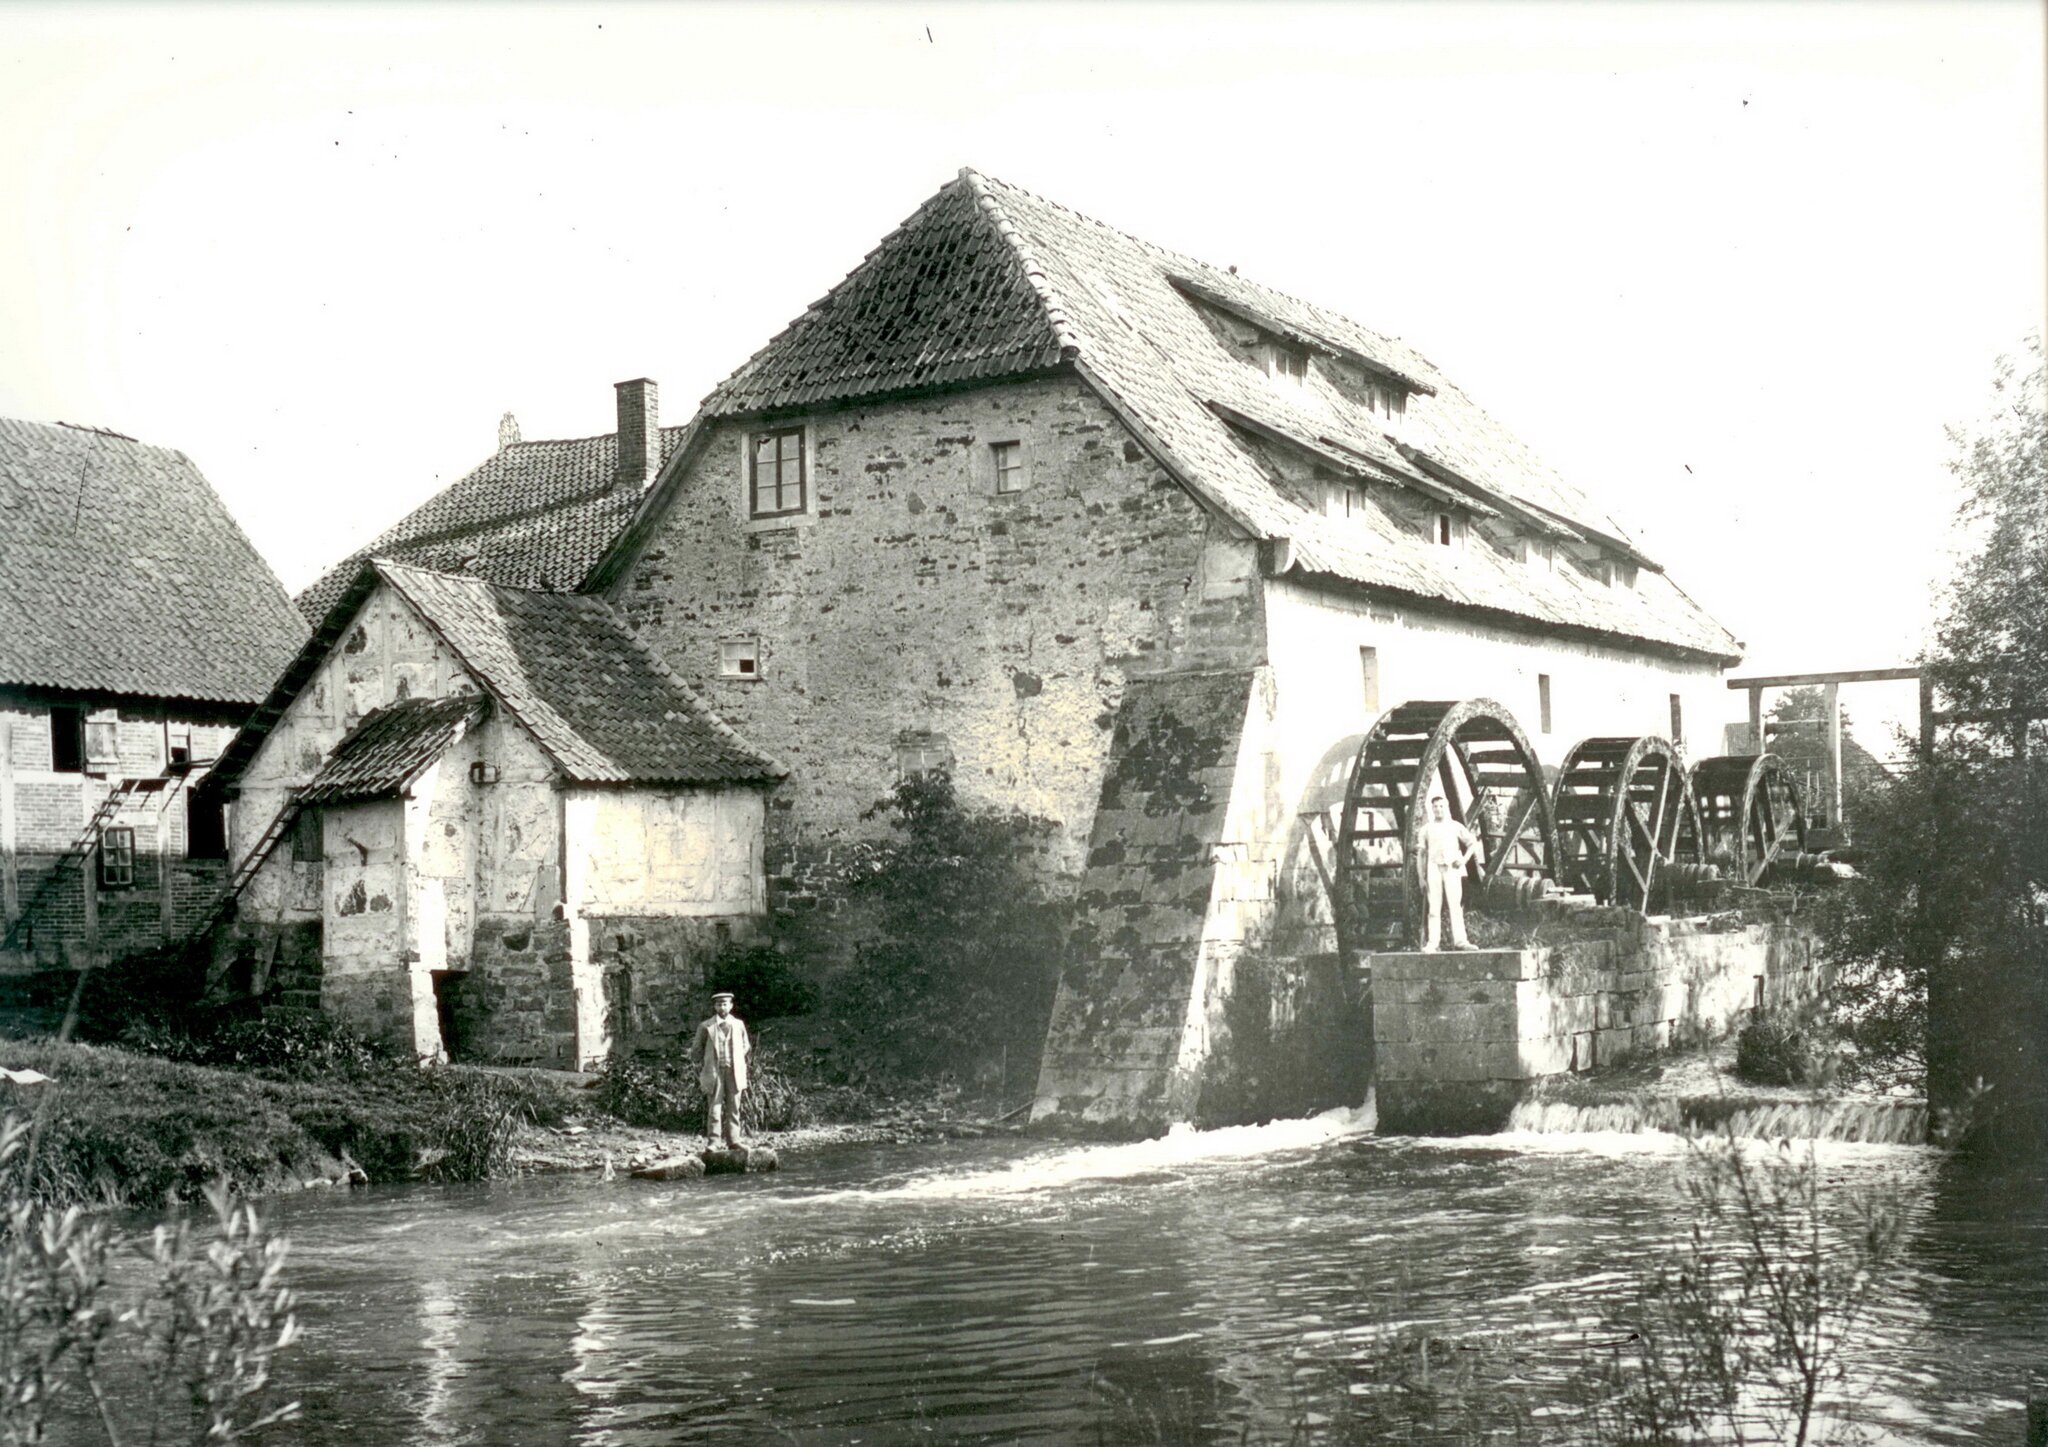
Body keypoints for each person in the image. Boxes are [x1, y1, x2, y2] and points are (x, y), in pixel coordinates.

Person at [1418, 795, 1485, 951]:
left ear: (1446, 807)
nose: (1438, 809)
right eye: (1435, 806)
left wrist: (1463, 860)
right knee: (1434, 908)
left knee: (1455, 905)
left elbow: (1472, 843)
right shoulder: (1426, 829)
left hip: (1452, 869)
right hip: (1433, 868)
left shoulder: (1455, 826)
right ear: (1432, 808)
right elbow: (1421, 854)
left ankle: (1461, 941)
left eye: (1441, 806)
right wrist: (1421, 877)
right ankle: (1432, 943)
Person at [692, 991, 751, 1149]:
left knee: (734, 1108)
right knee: (715, 1108)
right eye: (719, 1004)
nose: (722, 1007)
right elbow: (697, 1049)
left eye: (725, 1003)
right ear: (714, 1006)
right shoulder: (706, 1026)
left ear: (731, 1006)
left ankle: (734, 1141)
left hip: (734, 1071)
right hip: (714, 1071)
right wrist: (706, 1063)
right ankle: (713, 1142)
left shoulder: (738, 1024)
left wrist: (737, 1059)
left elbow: (746, 1045)